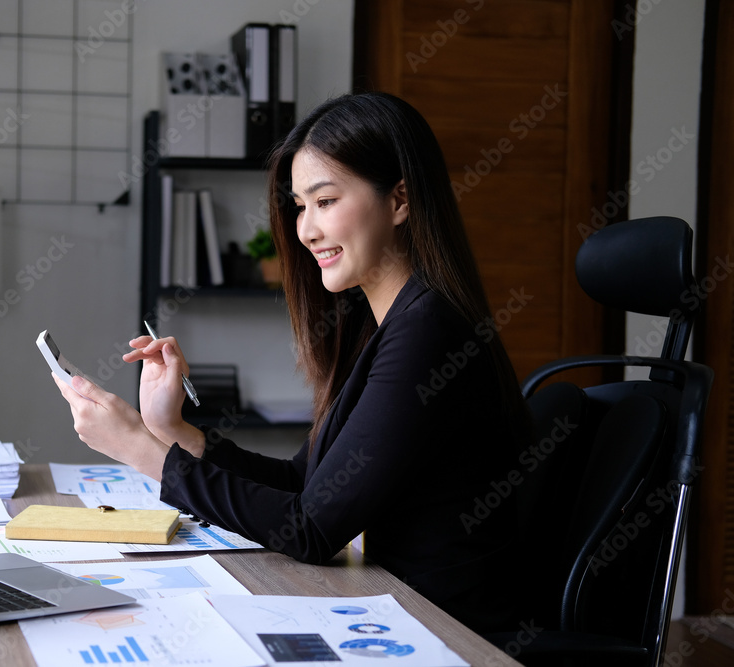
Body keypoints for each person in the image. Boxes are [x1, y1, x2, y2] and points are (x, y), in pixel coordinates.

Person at [53, 91, 531, 633]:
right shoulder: (387, 326)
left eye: (325, 201)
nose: (305, 230)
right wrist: (169, 429)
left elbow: (310, 530)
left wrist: (135, 447)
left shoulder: (429, 333)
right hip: (392, 606)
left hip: (448, 634)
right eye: (301, 206)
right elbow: (303, 486)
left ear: (400, 200)